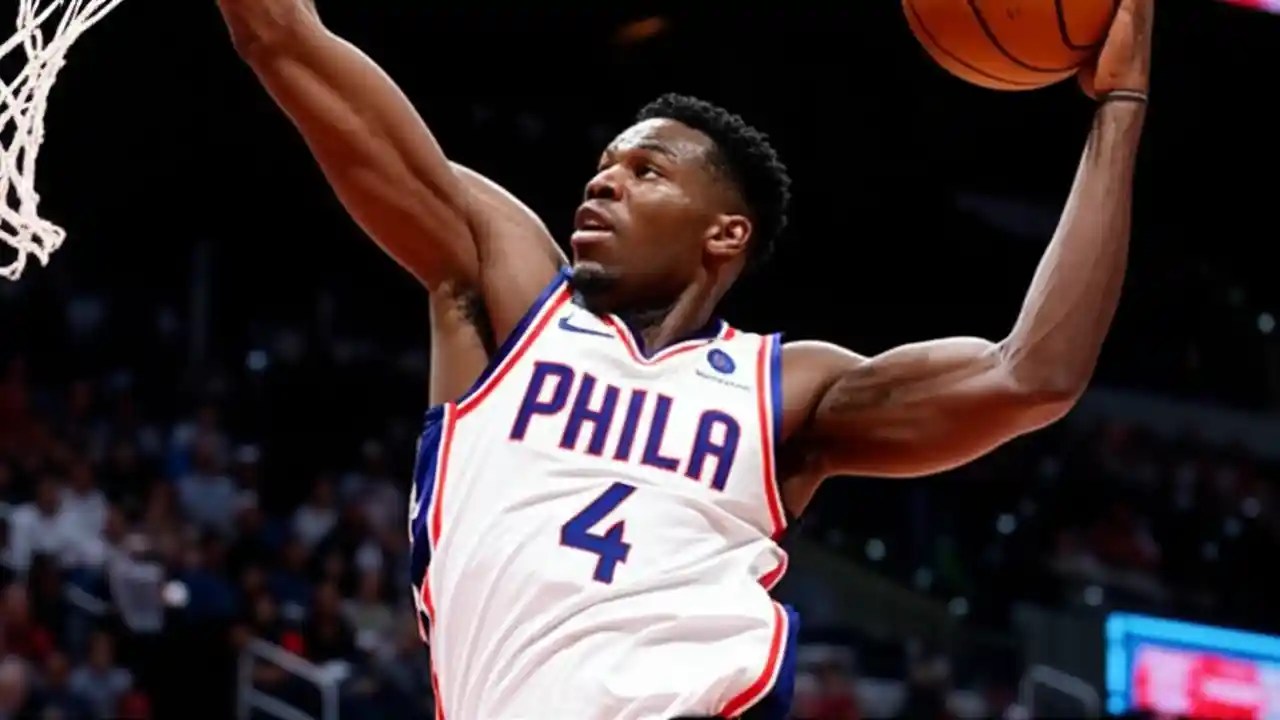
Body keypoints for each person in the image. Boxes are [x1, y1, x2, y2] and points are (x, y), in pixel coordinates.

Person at [215, 0, 1153, 717]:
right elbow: (282, 38)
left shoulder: (786, 390)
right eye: (603, 167)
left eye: (645, 172)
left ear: (724, 233)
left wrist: (1119, 103)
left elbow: (1031, 375)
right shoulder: (507, 294)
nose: (602, 183)